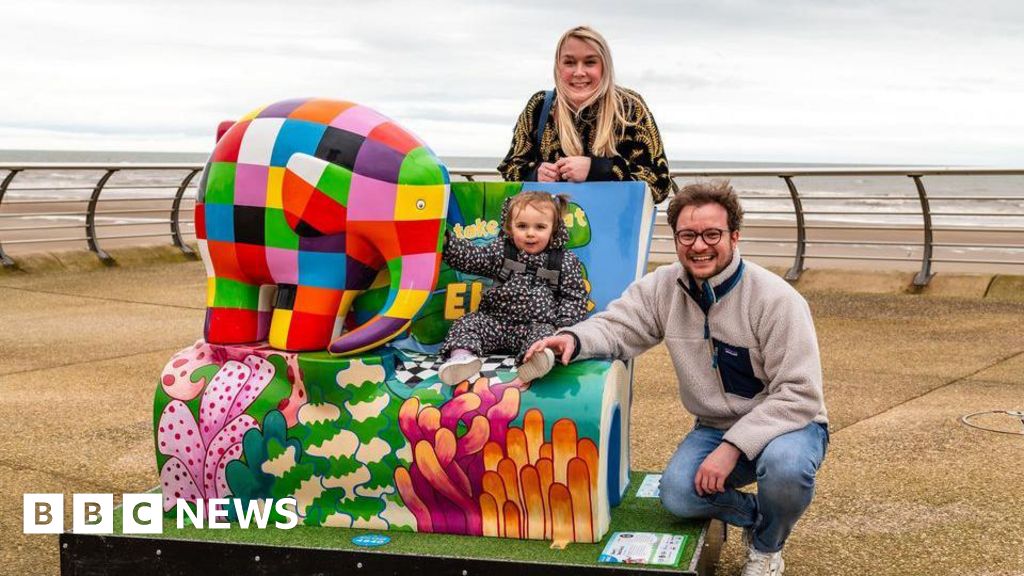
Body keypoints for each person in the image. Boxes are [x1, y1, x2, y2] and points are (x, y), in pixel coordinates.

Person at [525, 181, 828, 576]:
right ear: (676, 238)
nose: (699, 246)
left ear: (734, 236)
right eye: (687, 235)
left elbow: (799, 394)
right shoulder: (664, 287)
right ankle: (760, 521)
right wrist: (572, 339)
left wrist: (733, 447)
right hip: (714, 426)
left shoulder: (776, 299)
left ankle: (768, 547)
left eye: (711, 234)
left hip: (789, 426)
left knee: (787, 470)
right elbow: (618, 328)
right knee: (678, 496)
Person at [497, 25, 673, 204]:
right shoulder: (539, 105)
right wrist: (536, 174)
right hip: (549, 229)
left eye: (590, 62)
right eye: (569, 62)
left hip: (615, 227)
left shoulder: (629, 107)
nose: (579, 72)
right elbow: (510, 169)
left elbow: (659, 185)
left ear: (604, 66)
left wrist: (597, 169)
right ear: (558, 67)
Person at [437, 191, 588, 386]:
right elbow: (474, 258)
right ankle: (461, 358)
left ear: (554, 229)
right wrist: (448, 244)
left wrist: (563, 329)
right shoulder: (502, 250)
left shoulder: (563, 261)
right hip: (495, 322)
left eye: (540, 227)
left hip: (535, 326)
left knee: (545, 336)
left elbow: (573, 298)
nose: (530, 233)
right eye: (522, 226)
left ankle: (536, 361)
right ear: (510, 228)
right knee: (467, 323)